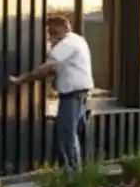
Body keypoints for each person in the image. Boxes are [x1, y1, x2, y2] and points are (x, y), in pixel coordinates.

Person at [10, 15, 93, 170]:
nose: (50, 37)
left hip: (72, 96)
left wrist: (20, 80)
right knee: (72, 133)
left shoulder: (67, 44)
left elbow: (46, 69)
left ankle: (72, 173)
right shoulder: (78, 41)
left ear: (64, 29)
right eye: (49, 33)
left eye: (53, 32)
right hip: (80, 95)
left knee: (67, 135)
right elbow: (55, 69)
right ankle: (75, 171)